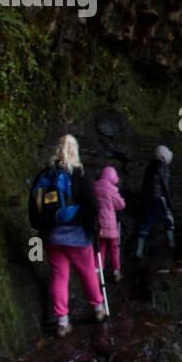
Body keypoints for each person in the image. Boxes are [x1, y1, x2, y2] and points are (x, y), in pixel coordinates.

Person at [29, 134, 105, 337]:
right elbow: (93, 205)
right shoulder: (79, 173)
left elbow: (33, 206)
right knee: (87, 272)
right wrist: (95, 227)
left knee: (59, 276)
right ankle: (98, 309)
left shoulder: (44, 174)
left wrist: (40, 228)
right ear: (75, 150)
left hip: (51, 237)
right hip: (77, 237)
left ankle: (62, 322)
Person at [136, 145, 176, 259]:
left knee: (146, 223)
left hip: (147, 198)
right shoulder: (163, 166)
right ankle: (172, 245)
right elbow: (165, 186)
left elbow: (144, 185)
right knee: (167, 220)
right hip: (158, 197)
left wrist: (142, 201)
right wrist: (169, 203)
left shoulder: (150, 166)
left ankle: (139, 251)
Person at [94, 165, 127, 282]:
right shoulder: (113, 190)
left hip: (100, 225)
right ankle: (116, 272)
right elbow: (121, 205)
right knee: (114, 248)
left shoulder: (95, 187)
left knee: (101, 248)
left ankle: (98, 272)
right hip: (111, 225)